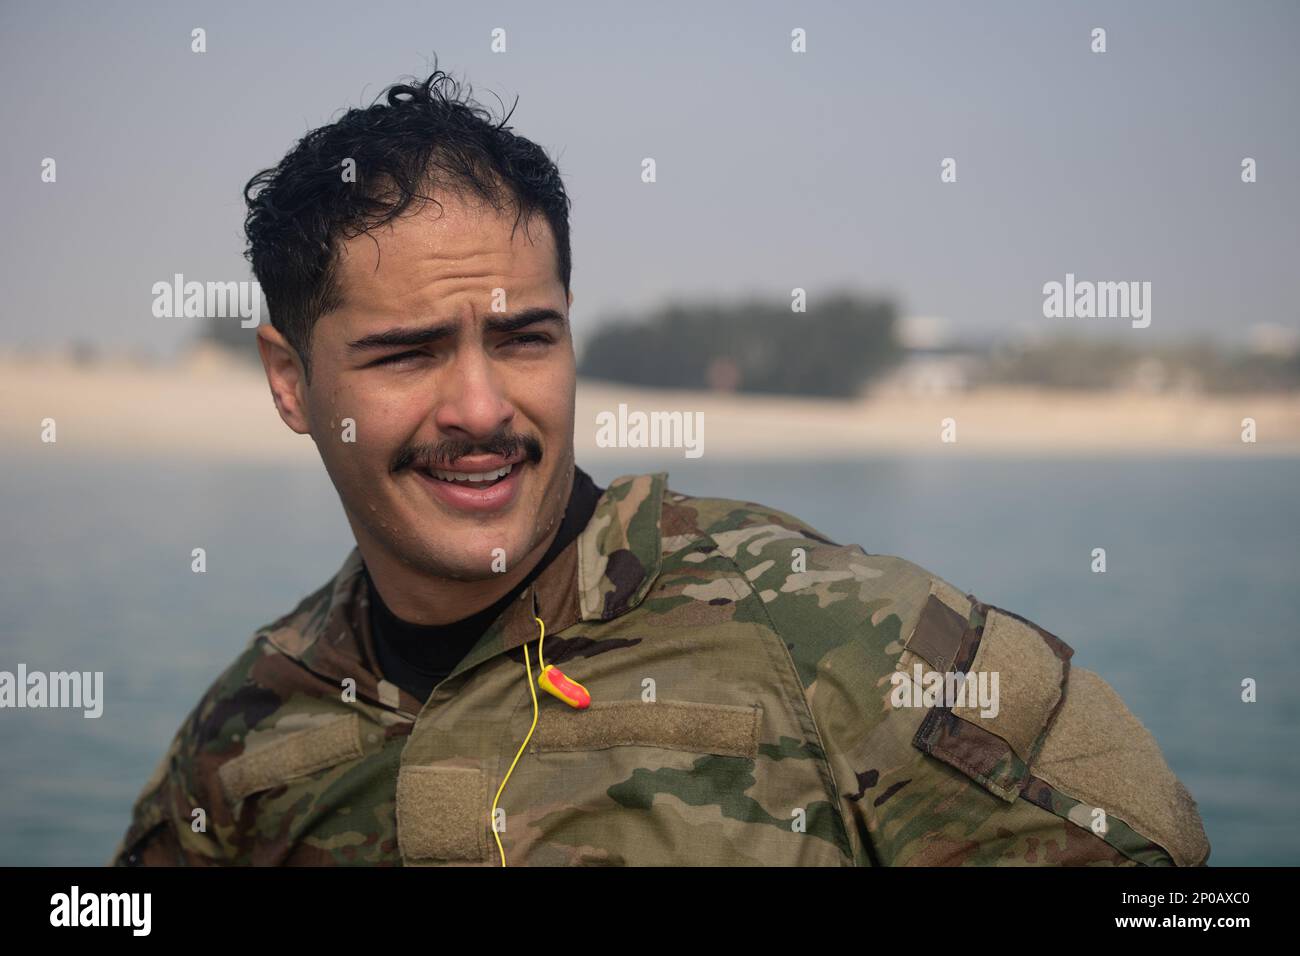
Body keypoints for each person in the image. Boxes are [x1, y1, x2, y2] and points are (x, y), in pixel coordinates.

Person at [111, 70, 1209, 867]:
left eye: (524, 338)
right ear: (291, 380)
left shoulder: (849, 640)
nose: (482, 408)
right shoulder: (240, 744)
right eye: (407, 352)